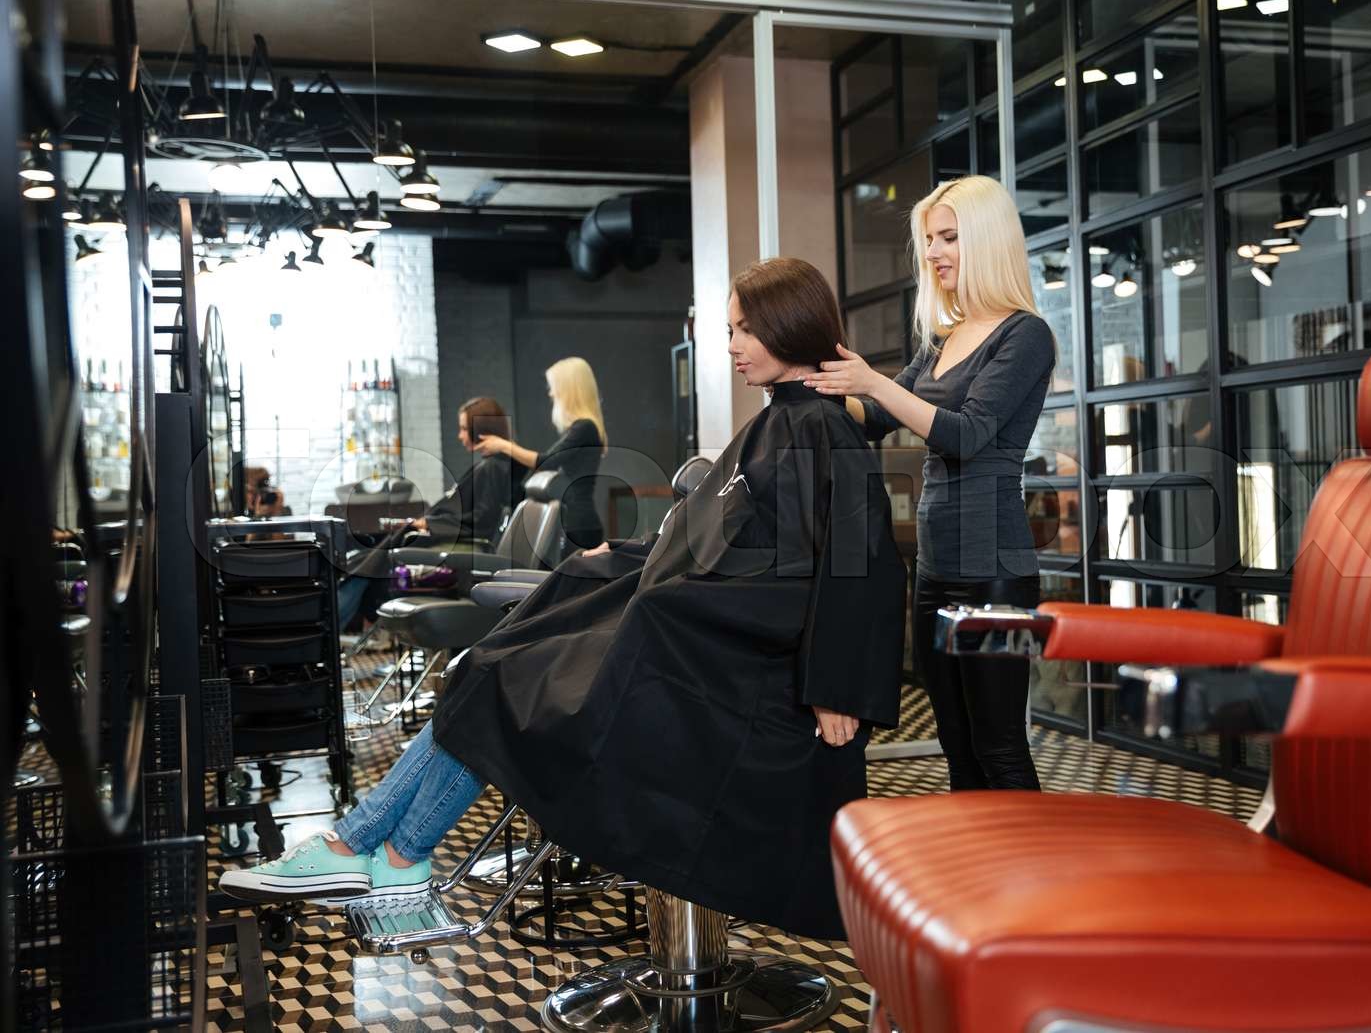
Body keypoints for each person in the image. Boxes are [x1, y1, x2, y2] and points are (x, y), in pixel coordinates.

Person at [221, 257, 906, 941]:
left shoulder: (819, 427)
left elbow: (857, 568)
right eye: (730, 329)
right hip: (690, 647)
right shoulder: (774, 423)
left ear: (788, 325)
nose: (729, 345)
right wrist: (627, 556)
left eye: (744, 329)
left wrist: (836, 684)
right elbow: (706, 542)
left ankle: (377, 851)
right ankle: (383, 852)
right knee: (492, 664)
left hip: (735, 681)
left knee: (500, 676)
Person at [805, 174, 1054, 792]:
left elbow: (965, 434)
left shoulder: (1025, 334)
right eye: (929, 241)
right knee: (955, 741)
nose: (934, 253)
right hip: (938, 567)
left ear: (989, 240)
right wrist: (812, 380)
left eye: (948, 237)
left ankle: (1034, 884)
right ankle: (974, 885)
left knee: (998, 743)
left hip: (994, 567)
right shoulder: (942, 339)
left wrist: (872, 382)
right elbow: (876, 418)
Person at [337, 397, 524, 630]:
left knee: (367, 566)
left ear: (482, 431)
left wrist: (430, 525)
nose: (460, 435)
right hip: (446, 537)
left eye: (465, 429)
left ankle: (335, 628)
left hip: (460, 548)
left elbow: (481, 522)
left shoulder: (493, 468)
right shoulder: (492, 466)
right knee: (363, 560)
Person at [471, 357, 607, 555]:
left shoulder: (584, 428)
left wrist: (504, 445)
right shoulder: (579, 428)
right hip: (573, 521)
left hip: (580, 525)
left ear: (570, 390)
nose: (551, 393)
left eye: (554, 387)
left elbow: (547, 461)